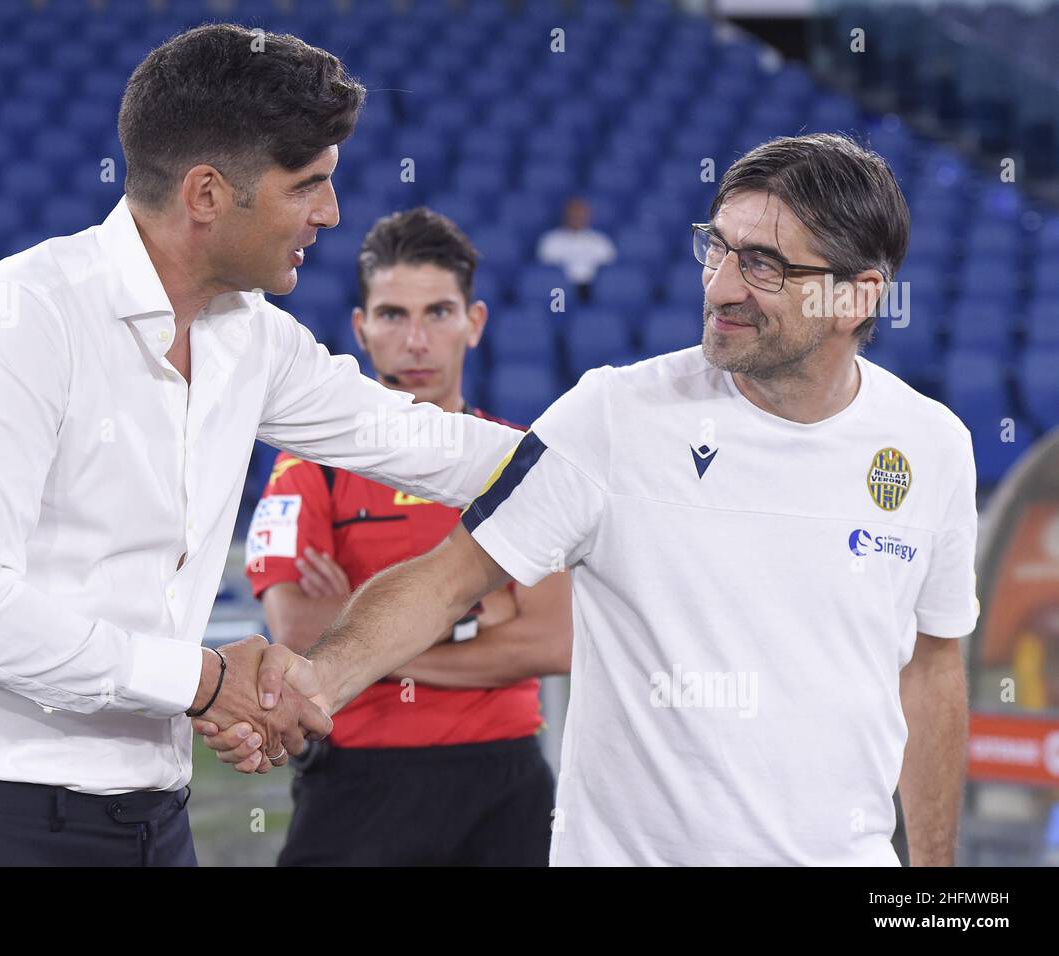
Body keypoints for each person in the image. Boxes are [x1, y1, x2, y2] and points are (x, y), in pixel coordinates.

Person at [215, 134, 980, 867]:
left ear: (857, 297)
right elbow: (447, 580)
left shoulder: (933, 446)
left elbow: (931, 669)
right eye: (715, 247)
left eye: (765, 265)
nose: (720, 285)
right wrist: (313, 684)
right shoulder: (617, 416)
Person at [0, 23, 522, 868]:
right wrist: (206, 681)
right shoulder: (22, 316)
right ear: (208, 194)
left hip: (155, 820)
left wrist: (629, 442)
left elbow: (427, 445)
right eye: (309, 185)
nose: (330, 213)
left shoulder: (251, 336)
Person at [237, 208, 571, 865]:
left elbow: (553, 641)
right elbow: (298, 631)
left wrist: (364, 629)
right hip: (360, 779)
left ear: (473, 323)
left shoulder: (520, 460)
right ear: (361, 329)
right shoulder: (308, 467)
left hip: (506, 784)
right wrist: (479, 617)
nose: (416, 340)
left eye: (438, 313)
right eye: (392, 314)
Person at [536, 197, 616, 301]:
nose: (576, 217)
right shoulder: (550, 241)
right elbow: (547, 274)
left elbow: (609, 273)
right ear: (565, 215)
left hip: (592, 289)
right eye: (573, 214)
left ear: (588, 215)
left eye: (580, 214)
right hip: (559, 292)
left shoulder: (601, 241)